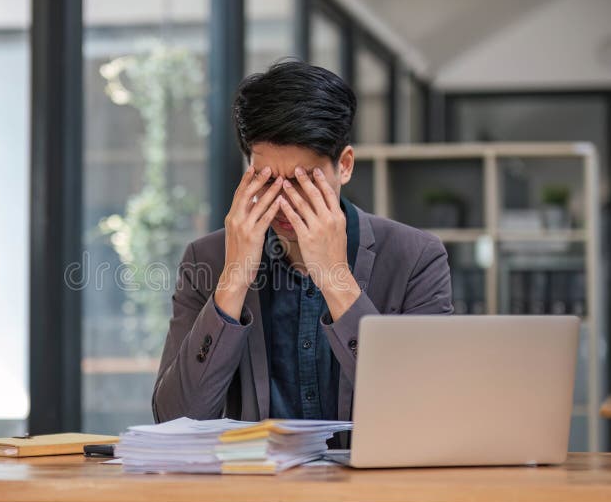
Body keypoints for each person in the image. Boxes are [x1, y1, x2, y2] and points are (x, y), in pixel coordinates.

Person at [153, 61, 453, 427]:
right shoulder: (207, 259)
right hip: (252, 482)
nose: (282, 201)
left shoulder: (416, 257)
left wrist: (335, 278)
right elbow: (173, 420)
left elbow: (427, 411)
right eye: (265, 179)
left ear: (343, 165)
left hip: (371, 484)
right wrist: (232, 280)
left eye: (301, 181)